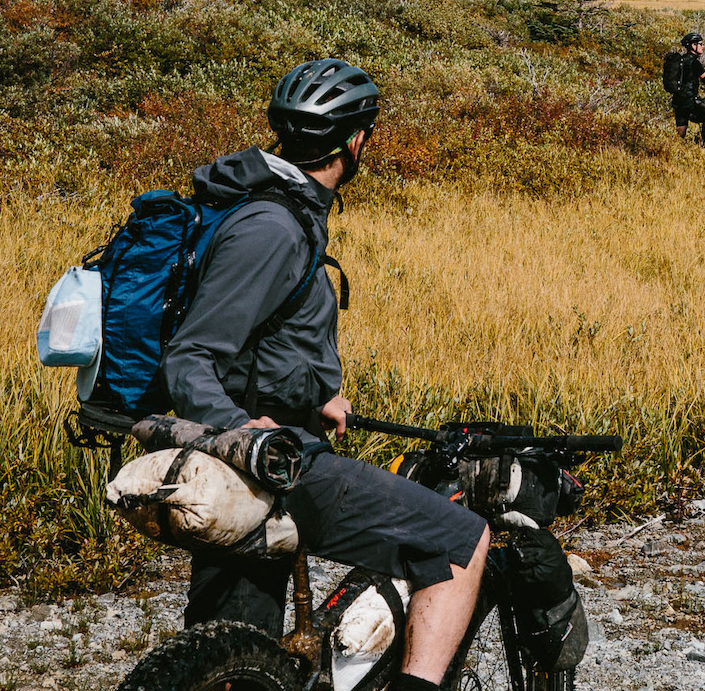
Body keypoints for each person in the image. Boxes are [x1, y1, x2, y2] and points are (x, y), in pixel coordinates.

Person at [163, 58, 489, 691]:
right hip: (263, 456)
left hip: (270, 442)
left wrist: (319, 395)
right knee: (459, 540)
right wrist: (243, 431)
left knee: (236, 650)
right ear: (355, 140)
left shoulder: (280, 207)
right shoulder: (273, 227)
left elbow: (266, 331)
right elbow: (191, 354)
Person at [669, 31, 705, 157]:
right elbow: (703, 76)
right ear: (693, 46)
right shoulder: (694, 62)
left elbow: (700, 71)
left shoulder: (681, 60)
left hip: (678, 102)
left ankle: (673, 154)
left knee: (681, 131)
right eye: (700, 44)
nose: (703, 46)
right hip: (690, 101)